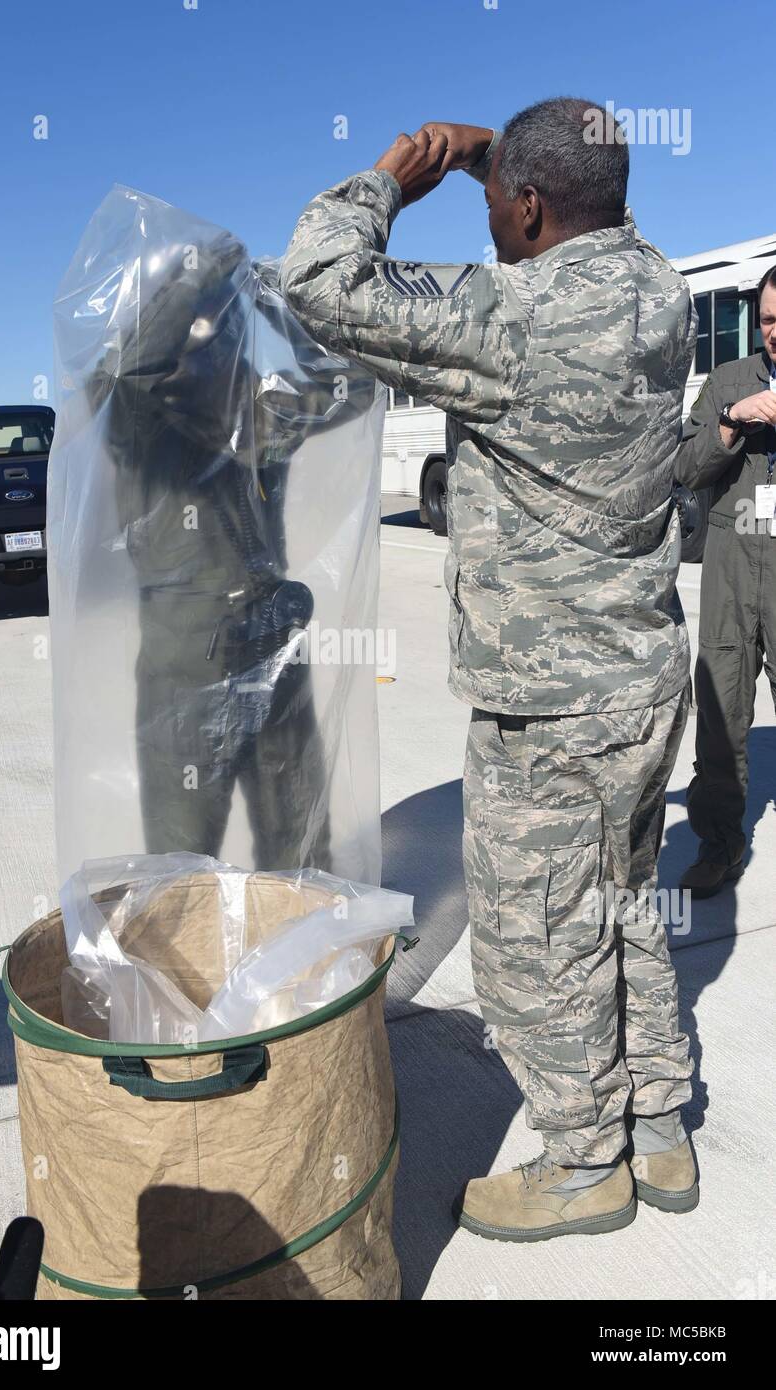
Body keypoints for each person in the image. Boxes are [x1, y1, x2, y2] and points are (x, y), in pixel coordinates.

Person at [281, 98, 698, 1241]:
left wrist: (392, 181)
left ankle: (583, 1160)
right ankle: (658, 1126)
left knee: (537, 939)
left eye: (505, 206)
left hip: (545, 703)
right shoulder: (656, 290)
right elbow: (588, 222)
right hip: (642, 678)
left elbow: (317, 280)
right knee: (627, 903)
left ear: (526, 208)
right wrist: (493, 173)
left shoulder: (509, 318)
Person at [85, 227, 371, 869]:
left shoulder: (261, 415)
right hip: (189, 659)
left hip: (273, 638)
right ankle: (185, 971)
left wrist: (284, 304)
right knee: (181, 861)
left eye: (235, 335)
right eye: (214, 335)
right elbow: (127, 367)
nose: (230, 350)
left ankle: (303, 960)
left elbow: (357, 384)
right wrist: (201, 272)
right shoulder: (139, 417)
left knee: (302, 848)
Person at [675, 267, 776, 897]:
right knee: (721, 707)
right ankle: (719, 843)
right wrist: (732, 422)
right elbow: (686, 466)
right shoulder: (728, 382)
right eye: (768, 320)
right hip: (734, 563)